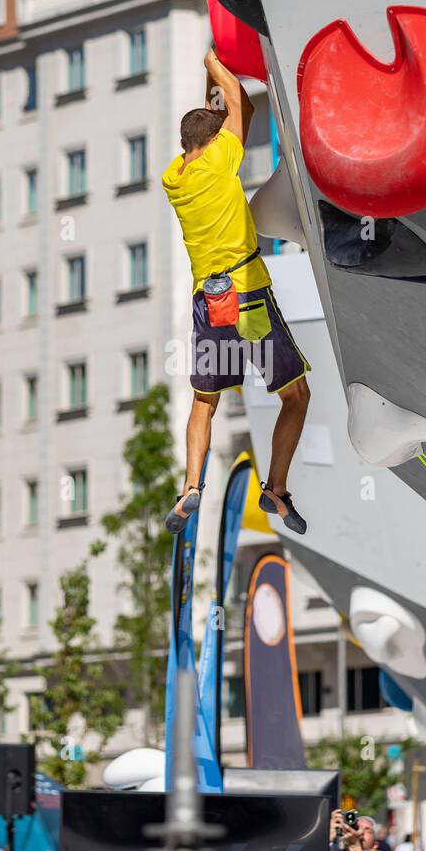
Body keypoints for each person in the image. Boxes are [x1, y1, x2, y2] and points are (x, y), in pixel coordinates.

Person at [162, 49, 311, 536]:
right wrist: (214, 63)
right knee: (295, 395)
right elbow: (242, 105)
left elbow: (205, 128)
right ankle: (277, 488)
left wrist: (209, 109)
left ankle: (189, 487)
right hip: (246, 297)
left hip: (209, 305)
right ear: (214, 140)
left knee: (204, 403)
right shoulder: (221, 163)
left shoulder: (176, 178)